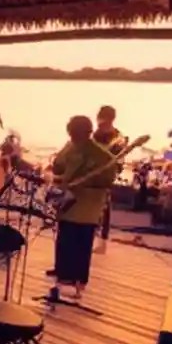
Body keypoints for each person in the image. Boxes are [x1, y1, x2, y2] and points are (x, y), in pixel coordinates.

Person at [46, 116, 116, 298]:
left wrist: (88, 182)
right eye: (71, 133)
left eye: (76, 133)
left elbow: (108, 180)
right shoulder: (69, 147)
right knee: (65, 241)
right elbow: (58, 167)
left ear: (86, 132)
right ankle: (62, 276)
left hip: (87, 207)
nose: (73, 136)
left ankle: (78, 281)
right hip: (67, 202)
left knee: (81, 244)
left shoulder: (101, 156)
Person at [92, 106, 127, 253]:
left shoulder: (118, 138)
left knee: (104, 207)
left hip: (106, 175)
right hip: (92, 174)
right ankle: (93, 238)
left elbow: (119, 161)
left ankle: (102, 242)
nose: (99, 122)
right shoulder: (96, 134)